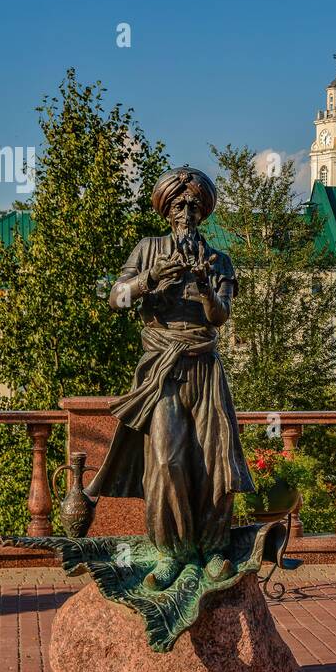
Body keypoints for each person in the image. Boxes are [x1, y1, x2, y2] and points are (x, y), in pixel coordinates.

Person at [85, 166, 253, 590]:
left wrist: (203, 286)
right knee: (166, 458)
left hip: (204, 365)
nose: (187, 211)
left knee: (215, 460)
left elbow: (221, 317)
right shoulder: (148, 249)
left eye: (195, 205)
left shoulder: (218, 259)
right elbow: (116, 299)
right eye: (179, 204)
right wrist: (152, 279)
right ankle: (171, 552)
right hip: (162, 368)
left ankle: (214, 548)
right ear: (167, 210)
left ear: (204, 212)